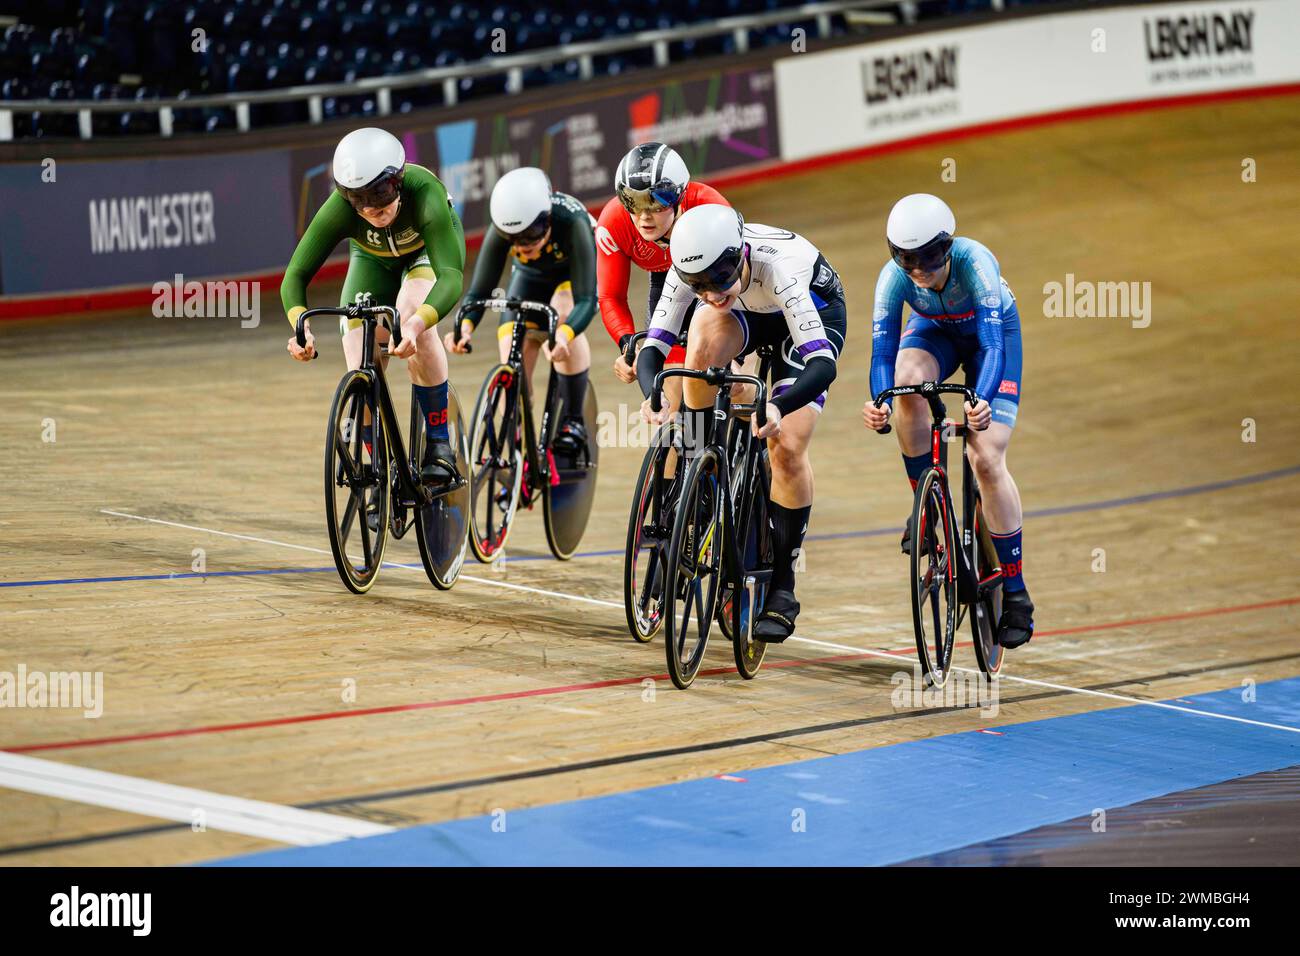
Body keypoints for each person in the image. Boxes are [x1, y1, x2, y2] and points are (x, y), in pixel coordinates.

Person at [638, 204, 847, 642]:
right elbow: (654, 351)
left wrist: (779, 404)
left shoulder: (782, 270)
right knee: (697, 355)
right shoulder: (693, 270)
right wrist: (652, 394)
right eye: (699, 285)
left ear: (739, 255)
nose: (711, 293)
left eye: (719, 279)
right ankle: (694, 491)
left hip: (808, 319)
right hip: (749, 313)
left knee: (787, 443)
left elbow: (823, 366)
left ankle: (783, 588)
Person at [861, 194, 1033, 648]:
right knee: (906, 385)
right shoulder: (892, 279)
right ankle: (926, 504)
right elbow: (882, 353)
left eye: (930, 257)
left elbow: (993, 346)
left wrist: (982, 399)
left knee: (986, 458)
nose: (918, 270)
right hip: (934, 332)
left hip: (987, 340)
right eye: (906, 259)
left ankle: (1016, 594)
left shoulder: (976, 263)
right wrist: (880, 400)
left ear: (948, 246)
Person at [283, 126, 464, 484]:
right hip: (372, 261)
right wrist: (299, 325)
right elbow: (295, 275)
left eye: (379, 195)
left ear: (397, 181)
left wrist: (414, 326)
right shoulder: (341, 208)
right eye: (358, 199)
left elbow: (451, 277)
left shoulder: (424, 192)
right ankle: (373, 460)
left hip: (426, 254)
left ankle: (440, 445)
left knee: (412, 311)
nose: (371, 208)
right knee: (358, 356)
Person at [445, 167, 595, 459]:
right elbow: (478, 293)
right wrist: (464, 327)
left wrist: (564, 335)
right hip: (529, 278)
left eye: (533, 234)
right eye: (514, 238)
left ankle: (573, 420)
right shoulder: (502, 227)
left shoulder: (572, 221)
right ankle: (516, 445)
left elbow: (587, 300)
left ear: (547, 217)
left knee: (562, 316)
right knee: (511, 348)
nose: (524, 245)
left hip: (570, 277)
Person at [596, 142, 731, 415]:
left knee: (735, 384)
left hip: (715, 284)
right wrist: (627, 345)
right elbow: (610, 296)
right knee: (673, 412)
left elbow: (740, 280)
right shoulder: (613, 222)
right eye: (634, 202)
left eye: (655, 202)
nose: (644, 216)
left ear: (679, 197)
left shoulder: (709, 207)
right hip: (666, 285)